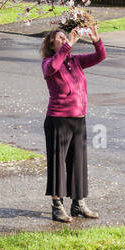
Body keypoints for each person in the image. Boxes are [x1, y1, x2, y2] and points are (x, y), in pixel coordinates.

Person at [40, 24, 105, 222]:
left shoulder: (75, 61)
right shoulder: (49, 62)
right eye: (60, 38)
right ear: (52, 44)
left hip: (78, 118)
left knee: (78, 163)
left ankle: (78, 204)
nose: (64, 39)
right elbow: (52, 67)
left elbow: (100, 56)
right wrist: (68, 45)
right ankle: (57, 206)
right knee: (58, 164)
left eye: (65, 37)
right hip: (58, 120)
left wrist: (96, 39)